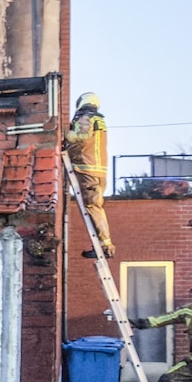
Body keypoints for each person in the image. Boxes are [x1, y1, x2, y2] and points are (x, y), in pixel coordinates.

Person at [64, 92, 113, 258]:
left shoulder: (86, 117)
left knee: (92, 207)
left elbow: (83, 138)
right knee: (96, 207)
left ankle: (105, 246)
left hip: (87, 169)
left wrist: (66, 136)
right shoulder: (99, 120)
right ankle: (104, 244)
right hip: (99, 171)